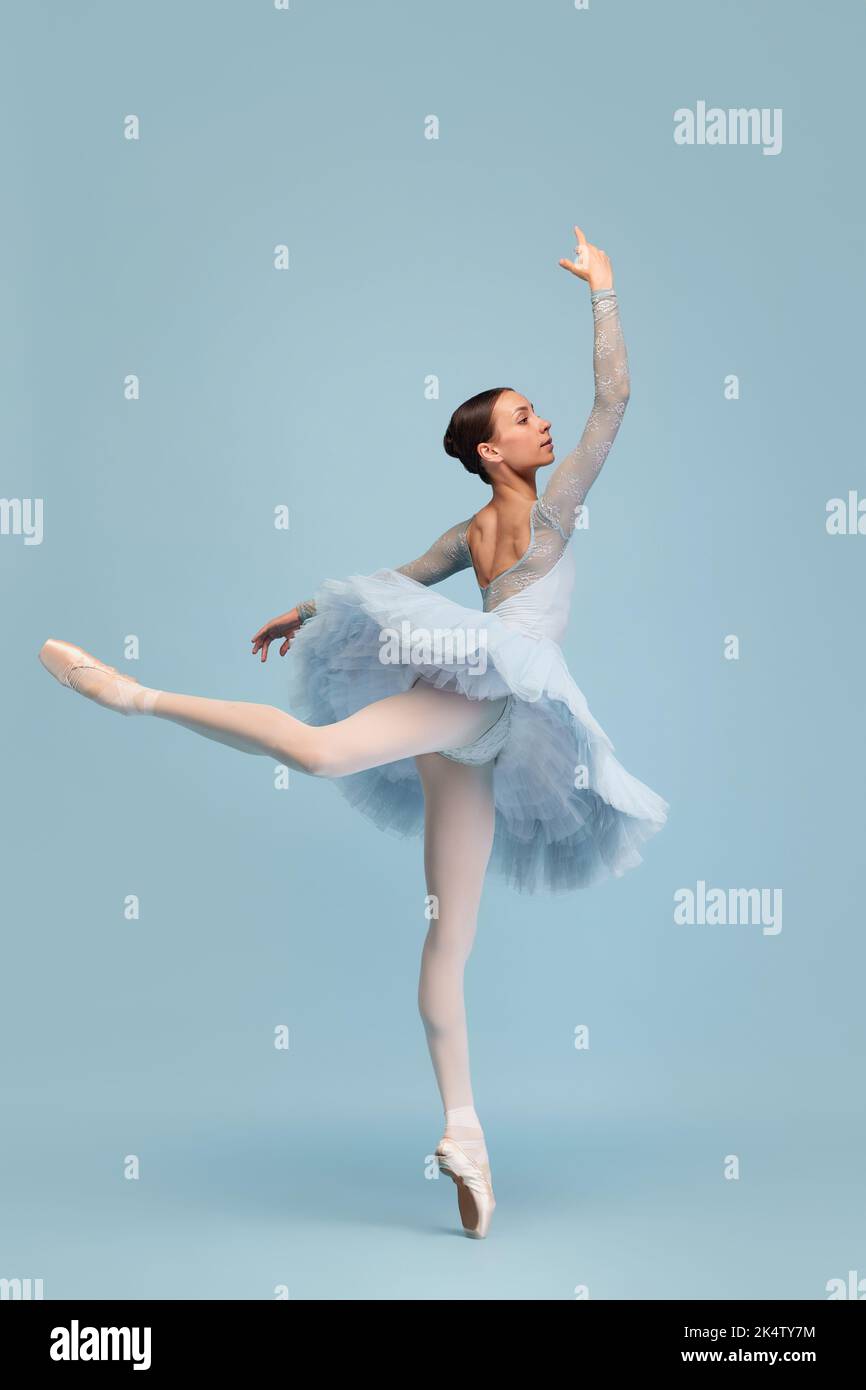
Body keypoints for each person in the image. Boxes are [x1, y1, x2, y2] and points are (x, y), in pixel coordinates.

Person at [38, 224, 668, 1239]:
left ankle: (463, 1132)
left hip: (480, 729)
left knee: (446, 939)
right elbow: (614, 402)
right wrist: (603, 293)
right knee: (325, 752)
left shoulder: (480, 531)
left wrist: (300, 610)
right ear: (486, 451)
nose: (544, 423)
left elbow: (404, 579)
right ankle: (134, 697)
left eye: (536, 411)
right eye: (522, 417)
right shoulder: (540, 519)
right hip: (478, 701)